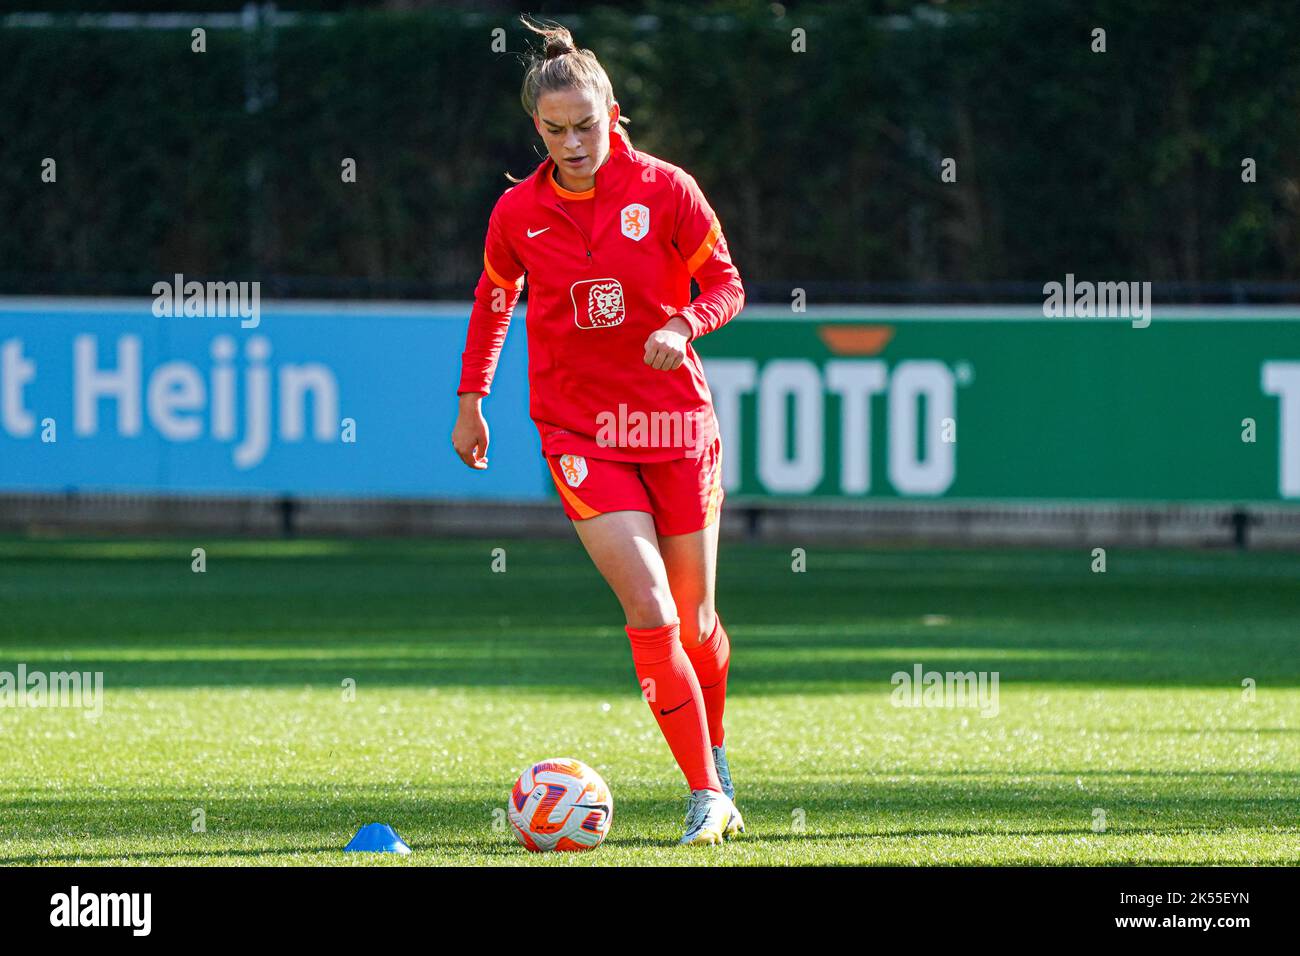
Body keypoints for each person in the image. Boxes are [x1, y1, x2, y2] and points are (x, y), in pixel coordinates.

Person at [452, 17, 746, 845]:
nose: (574, 143)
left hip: (675, 423)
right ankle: (704, 794)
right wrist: (472, 398)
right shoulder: (517, 213)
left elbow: (726, 284)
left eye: (586, 124)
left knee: (695, 623)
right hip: (580, 431)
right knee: (650, 610)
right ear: (535, 129)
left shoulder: (666, 190)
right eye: (555, 130)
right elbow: (494, 300)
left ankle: (715, 757)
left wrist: (686, 324)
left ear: (613, 111)